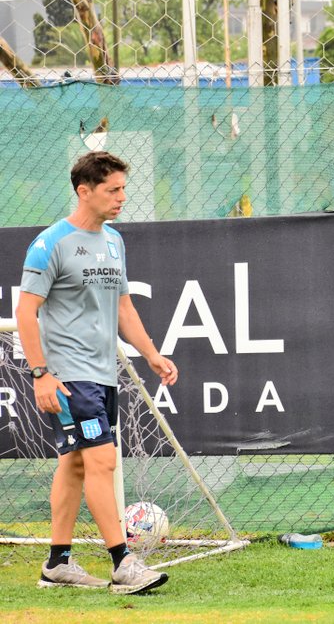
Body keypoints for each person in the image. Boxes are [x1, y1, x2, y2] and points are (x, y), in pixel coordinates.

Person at [16, 151, 179, 595]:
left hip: (103, 372)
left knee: (74, 464)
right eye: (113, 189)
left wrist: (150, 353)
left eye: (124, 188)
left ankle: (58, 563)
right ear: (83, 191)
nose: (122, 197)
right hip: (69, 376)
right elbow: (25, 312)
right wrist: (41, 374)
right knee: (102, 459)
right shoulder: (50, 243)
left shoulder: (114, 241)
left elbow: (123, 306)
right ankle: (123, 564)